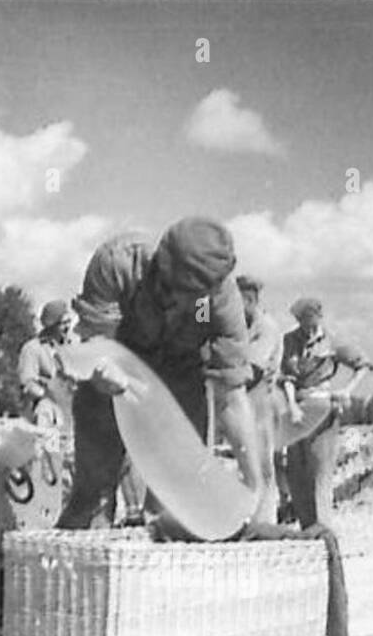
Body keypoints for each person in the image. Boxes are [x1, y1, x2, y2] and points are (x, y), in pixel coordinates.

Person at [54, 217, 267, 531]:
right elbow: (93, 345)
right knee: (93, 501)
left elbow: (231, 397)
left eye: (194, 295)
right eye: (175, 288)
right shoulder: (119, 263)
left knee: (175, 510)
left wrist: (254, 479)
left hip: (180, 387)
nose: (182, 300)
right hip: (113, 377)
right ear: (161, 266)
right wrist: (108, 371)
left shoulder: (218, 303)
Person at [279, 297, 373, 529]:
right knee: (296, 473)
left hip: (323, 409)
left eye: (310, 318)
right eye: (301, 319)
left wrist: (347, 391)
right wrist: (291, 406)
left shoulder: (332, 340)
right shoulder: (289, 341)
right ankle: (306, 528)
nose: (306, 324)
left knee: (320, 473)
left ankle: (324, 531)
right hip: (297, 411)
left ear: (318, 317)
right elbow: (287, 378)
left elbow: (363, 365)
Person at [236, 274, 282, 524]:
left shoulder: (266, 328)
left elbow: (251, 370)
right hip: (238, 400)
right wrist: (204, 300)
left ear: (249, 300)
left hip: (259, 399)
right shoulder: (233, 324)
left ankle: (263, 520)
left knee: (260, 461)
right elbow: (202, 326)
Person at [16, 299, 73, 427]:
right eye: (63, 323)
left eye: (69, 322)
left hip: (70, 405)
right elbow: (27, 383)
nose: (67, 327)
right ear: (51, 325)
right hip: (43, 406)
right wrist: (49, 396)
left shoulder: (72, 347)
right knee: (45, 410)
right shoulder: (32, 348)